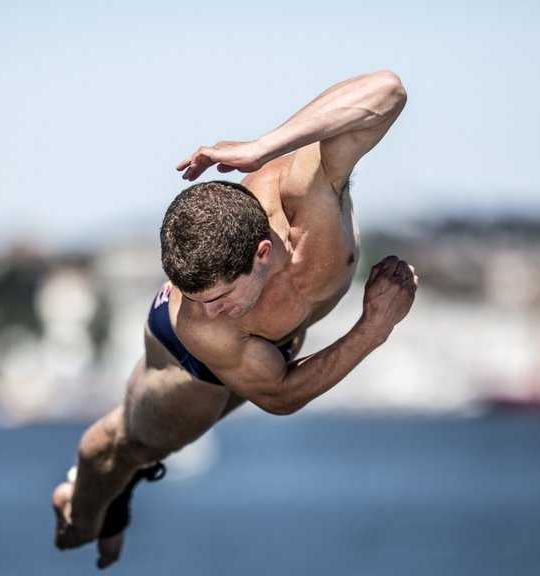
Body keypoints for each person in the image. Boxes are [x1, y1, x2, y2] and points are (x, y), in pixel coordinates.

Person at [52, 69, 416, 569]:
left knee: (234, 385)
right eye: (196, 296)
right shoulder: (202, 324)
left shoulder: (308, 193)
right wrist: (373, 328)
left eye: (219, 296)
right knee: (125, 447)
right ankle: (86, 514)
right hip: (190, 364)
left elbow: (387, 92)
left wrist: (263, 146)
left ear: (263, 254)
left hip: (265, 346)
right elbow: (280, 395)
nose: (206, 307)